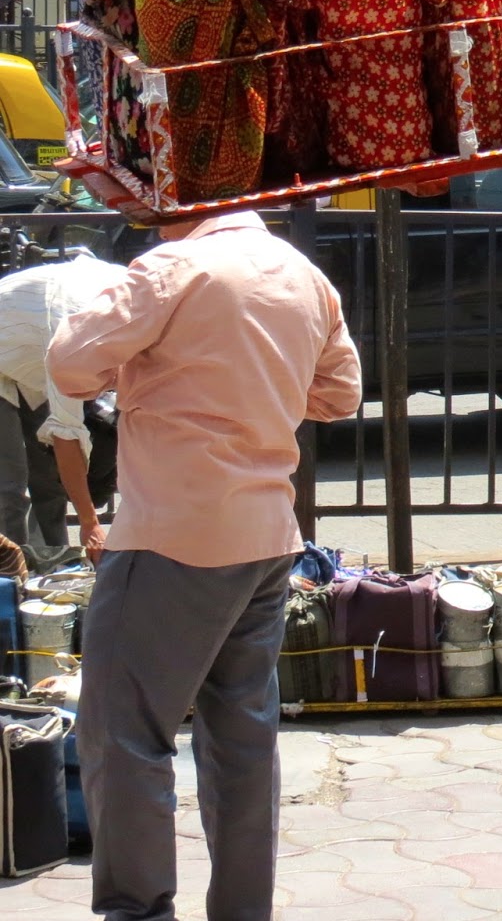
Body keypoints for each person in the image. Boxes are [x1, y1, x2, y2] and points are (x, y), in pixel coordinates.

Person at [45, 210, 362, 921]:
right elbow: (340, 394)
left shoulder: (175, 269)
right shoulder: (302, 275)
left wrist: (158, 369)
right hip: (265, 539)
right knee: (243, 740)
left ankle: (139, 909)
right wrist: (254, 390)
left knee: (125, 734)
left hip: (171, 536)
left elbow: (69, 361)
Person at [0, 255, 127, 567]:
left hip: (31, 349)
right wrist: (90, 523)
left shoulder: (141, 300)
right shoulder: (75, 341)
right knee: (9, 485)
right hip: (15, 349)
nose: (109, 389)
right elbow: (65, 435)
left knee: (49, 479)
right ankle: (11, 581)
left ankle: (56, 562)